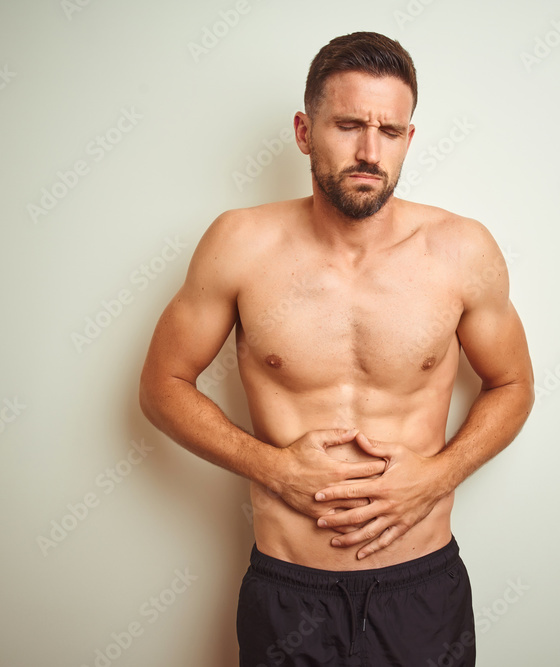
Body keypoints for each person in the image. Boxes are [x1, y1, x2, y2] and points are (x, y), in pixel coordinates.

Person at [139, 31, 533, 666]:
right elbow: (161, 386)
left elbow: (514, 385)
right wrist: (271, 467)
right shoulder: (239, 244)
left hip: (422, 587)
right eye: (349, 125)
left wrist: (437, 475)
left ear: (409, 138)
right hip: (289, 589)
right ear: (304, 130)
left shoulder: (462, 251)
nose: (369, 151)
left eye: (390, 130)